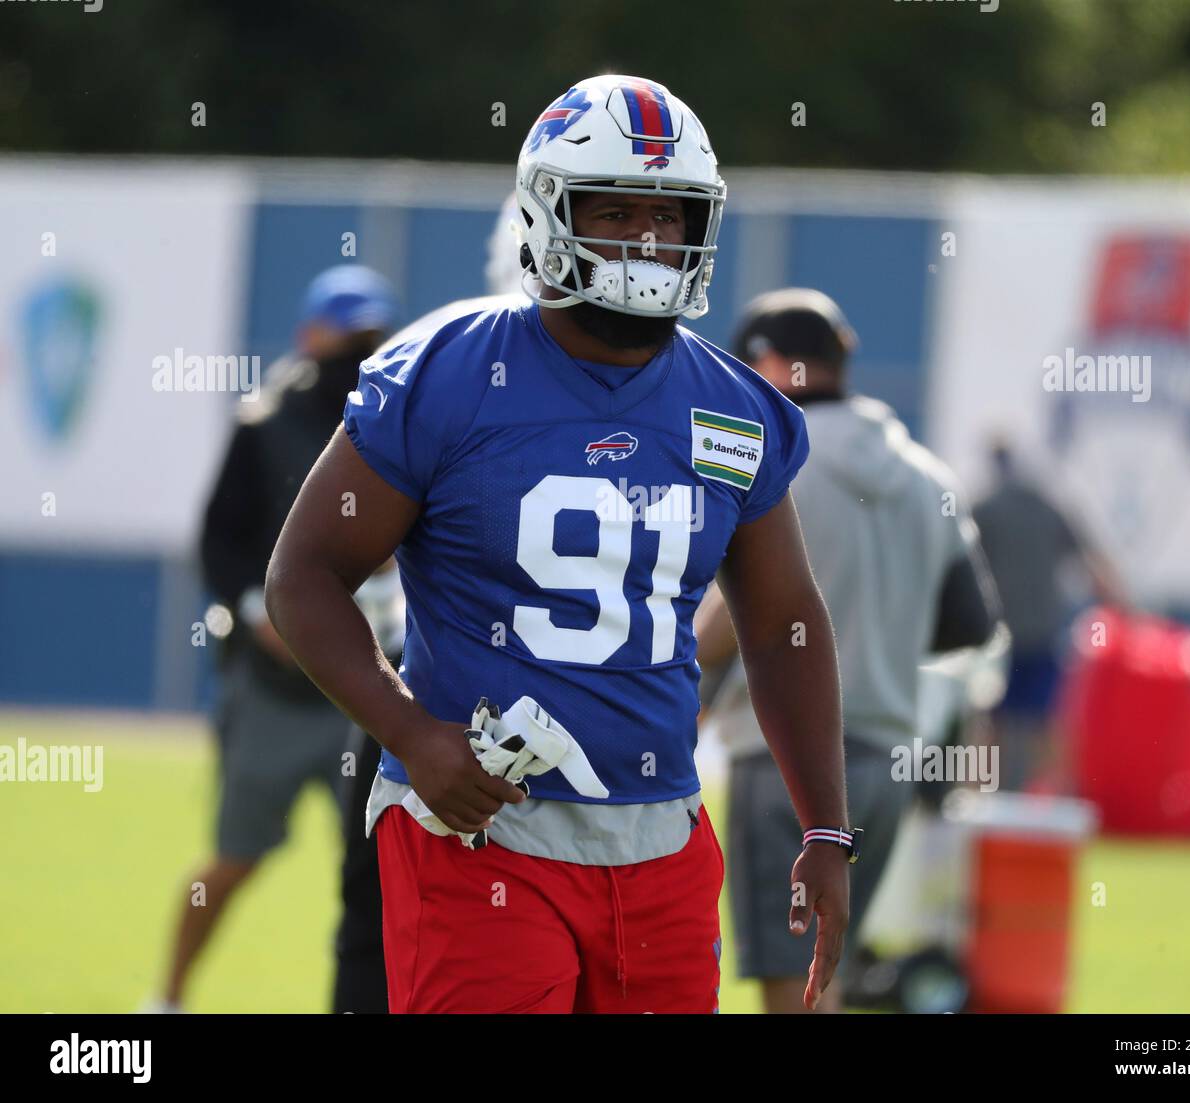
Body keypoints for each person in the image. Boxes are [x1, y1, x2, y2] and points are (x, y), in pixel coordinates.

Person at [264, 75, 852, 1014]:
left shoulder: (735, 407)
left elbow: (784, 617)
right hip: (480, 827)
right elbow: (302, 574)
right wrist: (411, 730)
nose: (647, 242)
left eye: (669, 216)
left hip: (659, 833)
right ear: (547, 211)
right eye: (614, 211)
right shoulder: (448, 373)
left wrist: (827, 827)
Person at [695, 288, 1001, 1013]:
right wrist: (877, 635)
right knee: (826, 977)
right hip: (889, 752)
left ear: (768, 364)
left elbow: (731, 624)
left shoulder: (767, 457)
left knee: (790, 986)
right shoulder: (930, 477)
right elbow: (970, 622)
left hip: (785, 752)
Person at [146, 265, 398, 1014]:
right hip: (279, 689)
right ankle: (166, 998)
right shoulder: (263, 422)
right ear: (308, 337)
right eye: (345, 336)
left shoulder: (391, 419)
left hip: (369, 689)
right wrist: (261, 610)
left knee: (386, 867)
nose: (356, 350)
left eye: (369, 337)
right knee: (234, 856)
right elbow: (219, 542)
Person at [331, 202, 526, 1014]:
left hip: (463, 712)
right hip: (426, 698)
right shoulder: (444, 376)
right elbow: (320, 558)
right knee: (382, 917)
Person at [971, 439, 1125, 790]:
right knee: (1048, 725)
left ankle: (975, 800)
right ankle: (1056, 801)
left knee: (989, 724)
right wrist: (1123, 607)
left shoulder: (984, 507)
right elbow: (1094, 564)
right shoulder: (1047, 506)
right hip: (1043, 631)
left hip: (1000, 636)